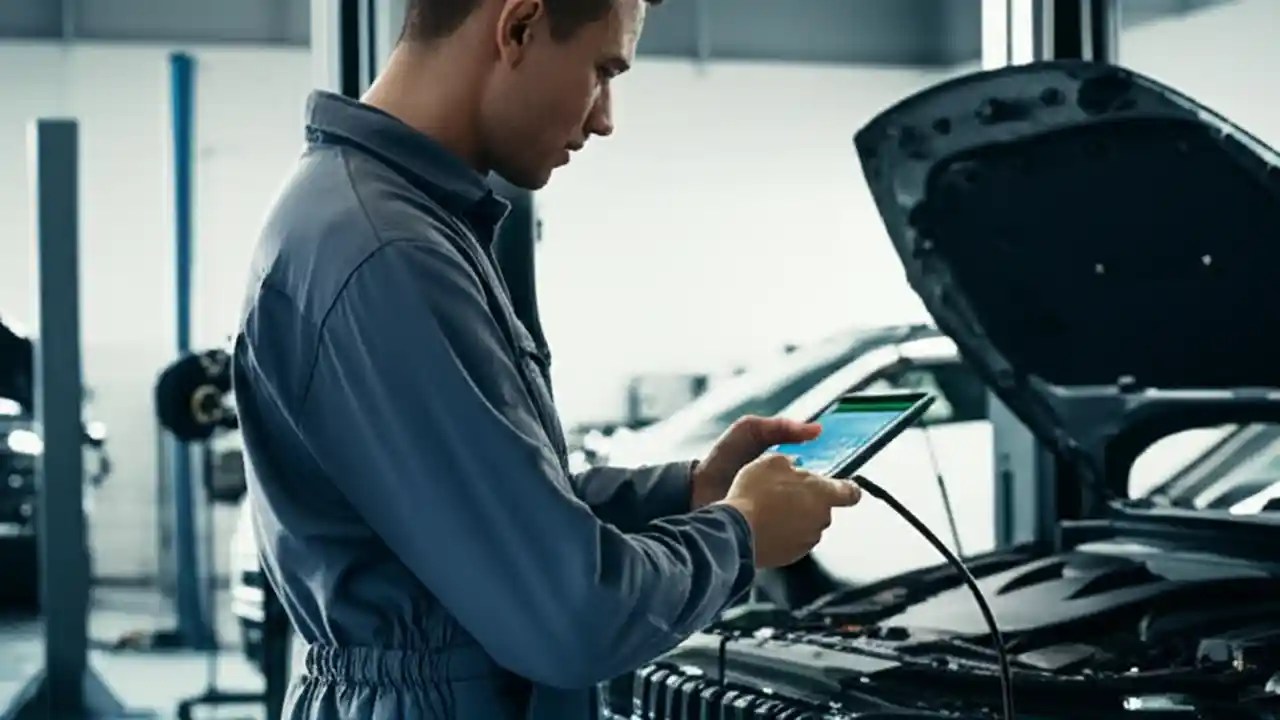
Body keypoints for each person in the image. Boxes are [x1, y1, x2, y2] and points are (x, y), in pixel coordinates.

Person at [232, 0, 863, 718]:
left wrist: (689, 492)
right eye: (603, 71)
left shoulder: (376, 217)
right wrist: (740, 535)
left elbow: (484, 512)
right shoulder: (388, 252)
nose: (605, 118)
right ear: (520, 26)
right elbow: (569, 617)